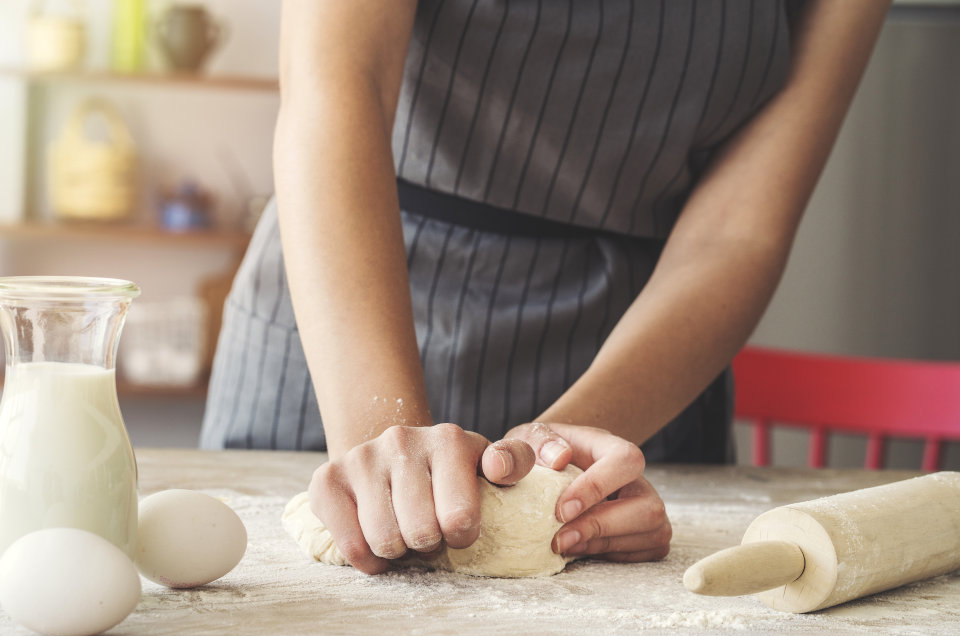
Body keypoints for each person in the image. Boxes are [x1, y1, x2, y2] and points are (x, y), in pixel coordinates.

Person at [201, 0, 890, 574]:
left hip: (642, 352)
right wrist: (385, 446)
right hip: (359, 310)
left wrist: (558, 459)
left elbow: (738, 232)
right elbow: (336, 85)